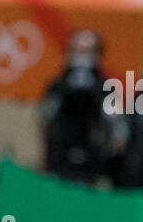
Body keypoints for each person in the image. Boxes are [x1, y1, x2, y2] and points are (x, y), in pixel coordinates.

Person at [40, 28, 115, 184]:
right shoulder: (57, 86)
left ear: (97, 55)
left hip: (92, 162)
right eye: (77, 50)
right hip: (60, 159)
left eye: (87, 51)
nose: (81, 57)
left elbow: (114, 123)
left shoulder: (106, 88)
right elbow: (45, 118)